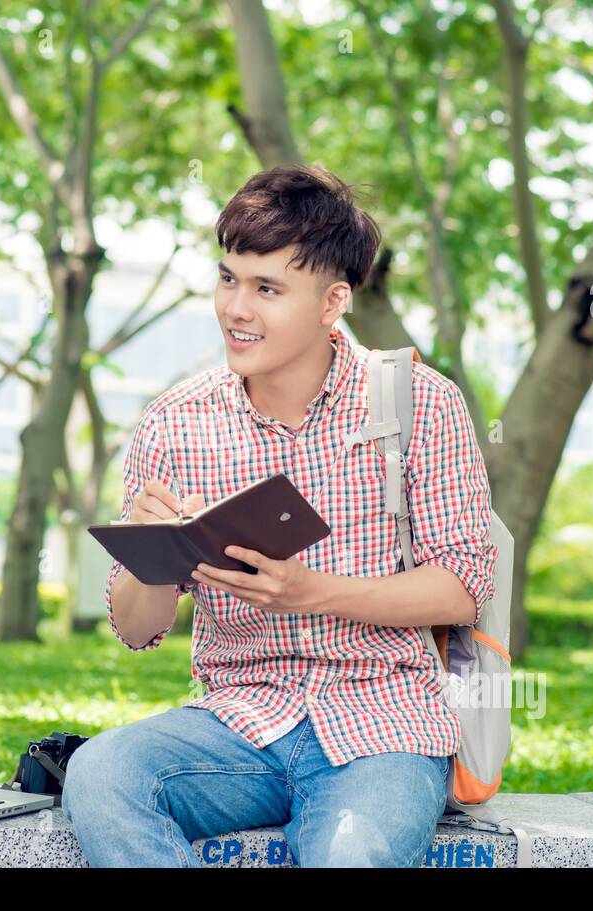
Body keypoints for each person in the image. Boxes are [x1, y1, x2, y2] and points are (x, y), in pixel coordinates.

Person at [61, 163, 497, 867]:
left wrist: (307, 591)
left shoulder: (420, 403)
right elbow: (138, 629)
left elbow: (461, 589)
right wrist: (151, 552)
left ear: (332, 303)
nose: (237, 307)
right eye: (228, 278)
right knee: (104, 773)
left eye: (267, 289)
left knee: (351, 855)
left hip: (383, 723)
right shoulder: (175, 424)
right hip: (238, 721)